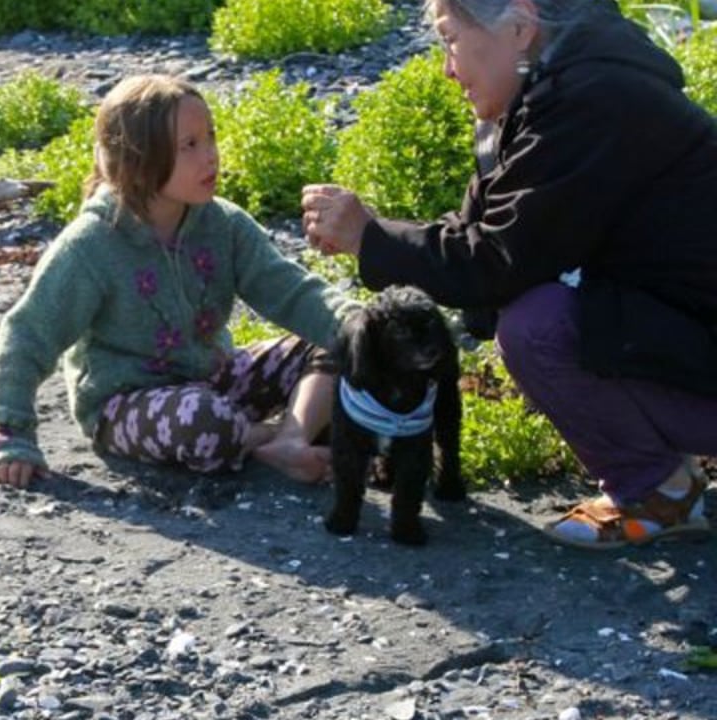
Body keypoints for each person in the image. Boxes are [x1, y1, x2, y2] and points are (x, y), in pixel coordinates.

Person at [301, 0, 717, 549]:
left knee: (536, 326)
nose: (448, 68)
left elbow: (496, 263)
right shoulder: (569, 85)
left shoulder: (590, 101)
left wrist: (370, 238)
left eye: (449, 39)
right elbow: (489, 233)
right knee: (539, 310)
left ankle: (658, 493)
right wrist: (376, 235)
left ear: (519, 27)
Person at [0, 74, 356, 490]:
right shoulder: (91, 245)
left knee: (339, 341)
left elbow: (290, 291)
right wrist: (12, 432)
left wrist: (360, 324)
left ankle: (288, 440)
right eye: (190, 146)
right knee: (200, 418)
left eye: (211, 137)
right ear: (138, 160)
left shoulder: (224, 224)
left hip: (218, 378)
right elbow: (29, 332)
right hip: (124, 408)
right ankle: (265, 438)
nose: (211, 156)